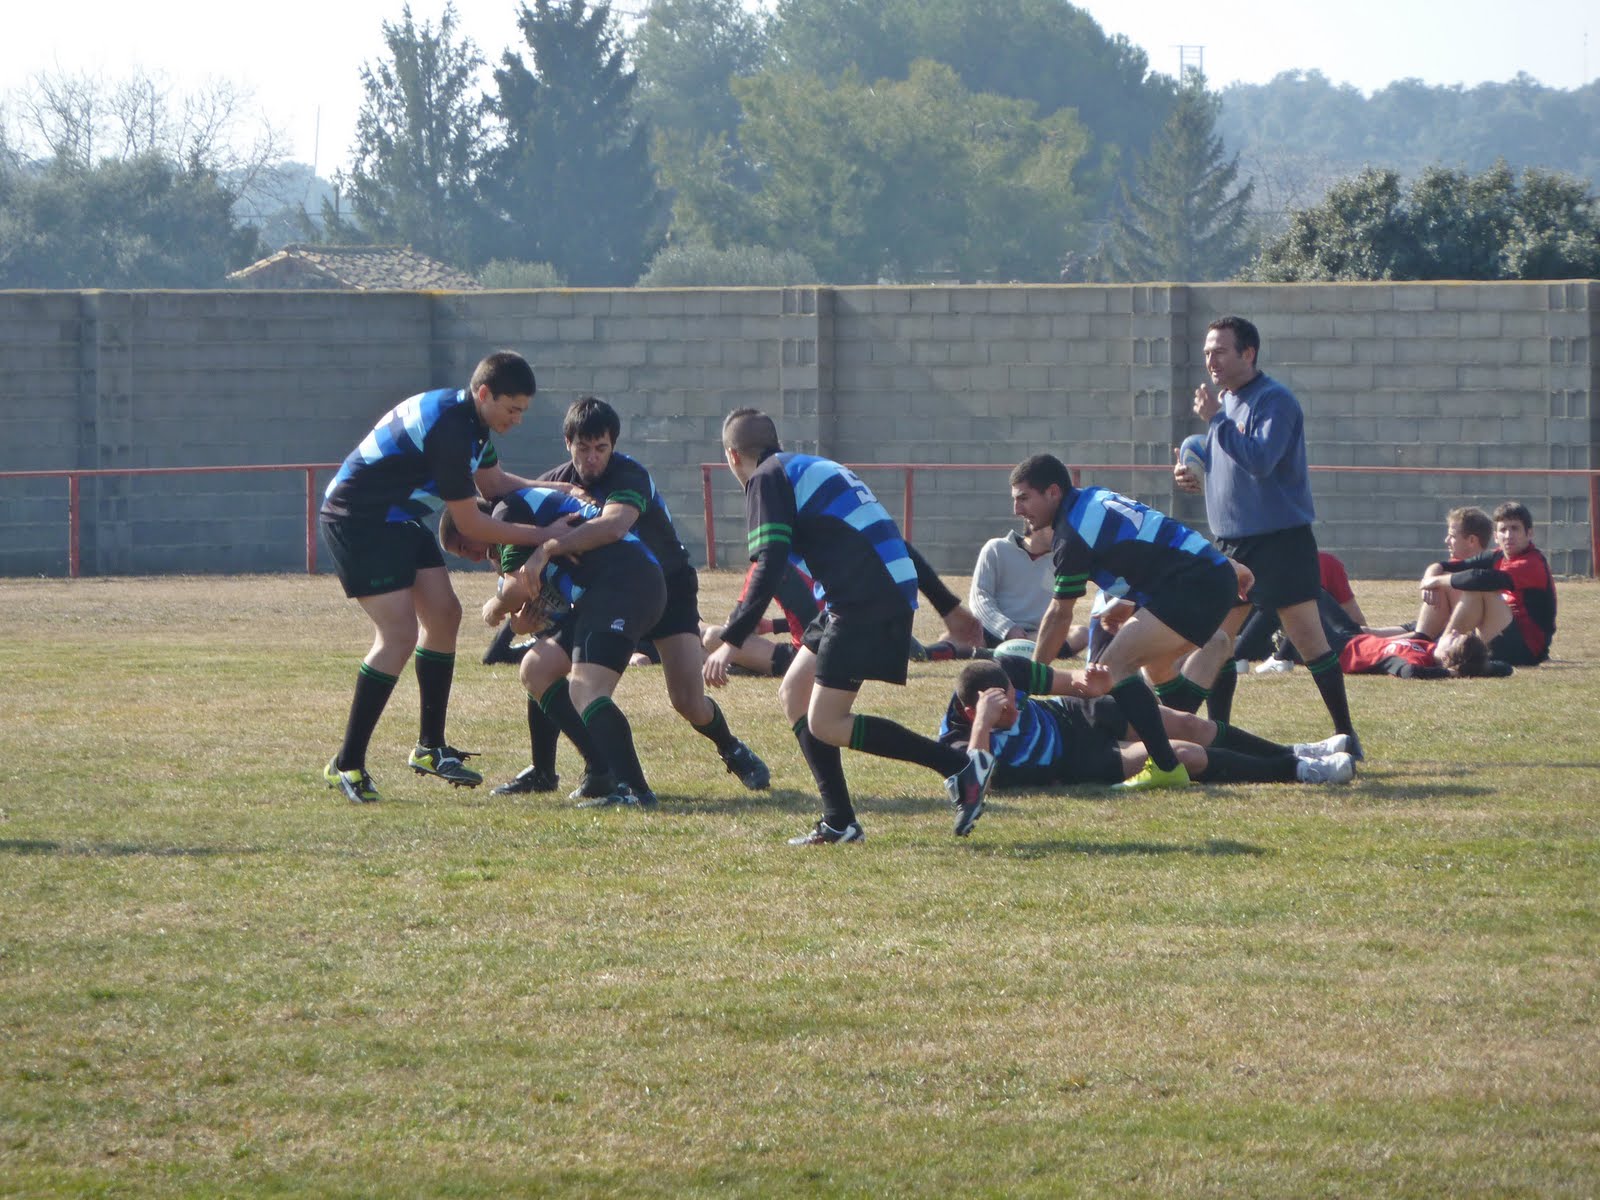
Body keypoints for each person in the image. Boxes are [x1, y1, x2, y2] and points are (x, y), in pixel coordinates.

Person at [704, 408, 1020, 845]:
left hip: (865, 598)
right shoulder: (811, 468)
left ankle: (960, 767)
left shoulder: (767, 477)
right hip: (863, 593)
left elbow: (770, 561)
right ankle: (839, 822)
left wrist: (730, 640)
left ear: (731, 456)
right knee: (794, 693)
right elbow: (894, 538)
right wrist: (947, 606)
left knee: (826, 722)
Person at [318, 350, 565, 805]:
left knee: (445, 615)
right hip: (358, 519)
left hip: (395, 517)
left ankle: (429, 747)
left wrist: (561, 489)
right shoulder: (451, 430)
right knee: (398, 634)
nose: (517, 420)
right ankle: (347, 763)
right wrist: (544, 534)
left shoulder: (472, 422)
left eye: (523, 411)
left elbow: (493, 485)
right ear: (484, 393)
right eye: (512, 409)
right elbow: (471, 525)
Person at [513, 395, 770, 799]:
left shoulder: (629, 474)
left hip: (664, 590)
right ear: (568, 443)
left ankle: (731, 747)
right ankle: (554, 770)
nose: (593, 458)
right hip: (605, 596)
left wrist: (548, 547)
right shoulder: (556, 483)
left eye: (601, 448)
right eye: (584, 448)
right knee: (540, 668)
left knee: (687, 700)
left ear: (613, 445)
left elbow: (614, 526)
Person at [1173, 314, 1363, 757]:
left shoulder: (1275, 400)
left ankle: (1347, 737)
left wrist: (1216, 420)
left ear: (1248, 353)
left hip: (1279, 542)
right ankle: (1219, 736)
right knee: (1218, 640)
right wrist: (1196, 476)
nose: (1210, 360)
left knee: (1310, 642)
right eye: (1206, 352)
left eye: (1220, 351)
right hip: (1233, 544)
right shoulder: (1225, 403)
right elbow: (1234, 466)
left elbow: (1260, 460)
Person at [1013, 452, 1252, 793]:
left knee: (1112, 669)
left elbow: (1059, 614)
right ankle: (1208, 737)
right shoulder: (1094, 496)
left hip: (1192, 586)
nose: (1018, 510)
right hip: (1204, 576)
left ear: (1052, 492)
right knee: (1158, 673)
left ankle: (1166, 764)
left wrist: (1033, 677)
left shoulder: (1071, 535)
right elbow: (1157, 538)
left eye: (1024, 498)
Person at [465, 485, 669, 807]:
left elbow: (516, 589)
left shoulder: (510, 515)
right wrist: (520, 622)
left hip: (623, 585)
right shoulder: (517, 528)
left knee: (587, 691)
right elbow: (530, 608)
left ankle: (634, 790)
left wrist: (493, 607)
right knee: (538, 667)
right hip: (608, 592)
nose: (476, 558)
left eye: (469, 548)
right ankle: (590, 772)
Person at [940, 656, 1357, 788]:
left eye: (1015, 699)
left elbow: (1069, 682)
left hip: (1073, 716)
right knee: (1184, 755)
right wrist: (985, 727)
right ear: (972, 711)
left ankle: (1293, 750)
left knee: (1185, 723)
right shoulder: (958, 742)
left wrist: (1094, 684)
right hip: (1075, 762)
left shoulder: (1003, 669)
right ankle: (1297, 771)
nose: (1012, 709)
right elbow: (977, 785)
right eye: (1003, 709)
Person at [1390, 502, 1556, 667]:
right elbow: (1450, 566)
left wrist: (1436, 581)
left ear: (1529, 533)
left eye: (1515, 528)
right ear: (1496, 536)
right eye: (1503, 530)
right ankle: (1421, 640)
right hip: (1501, 631)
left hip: (1526, 650)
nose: (1508, 535)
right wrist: (1430, 575)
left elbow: (1479, 579)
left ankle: (1440, 651)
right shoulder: (1498, 555)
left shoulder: (1532, 562)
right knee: (1447, 580)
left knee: (1477, 587)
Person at [966, 521, 1089, 655]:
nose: (1066, 534)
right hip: (993, 631)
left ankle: (996, 652)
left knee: (1081, 634)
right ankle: (1021, 650)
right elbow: (980, 596)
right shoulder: (996, 548)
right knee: (954, 637)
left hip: (1036, 634)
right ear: (1034, 524)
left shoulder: (1062, 561)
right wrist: (1007, 629)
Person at [1239, 551, 1368, 674]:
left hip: (1325, 645)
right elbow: (1357, 628)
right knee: (1299, 594)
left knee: (1295, 595)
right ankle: (1273, 656)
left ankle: (1246, 654)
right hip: (1330, 643)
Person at [1336, 628, 1496, 679]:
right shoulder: (1430, 649)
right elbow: (1503, 668)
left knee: (1313, 597)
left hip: (1341, 650)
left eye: (1455, 639)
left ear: (1446, 657)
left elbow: (1410, 671)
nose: (1453, 631)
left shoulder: (1417, 659)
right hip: (1353, 635)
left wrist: (1450, 672)